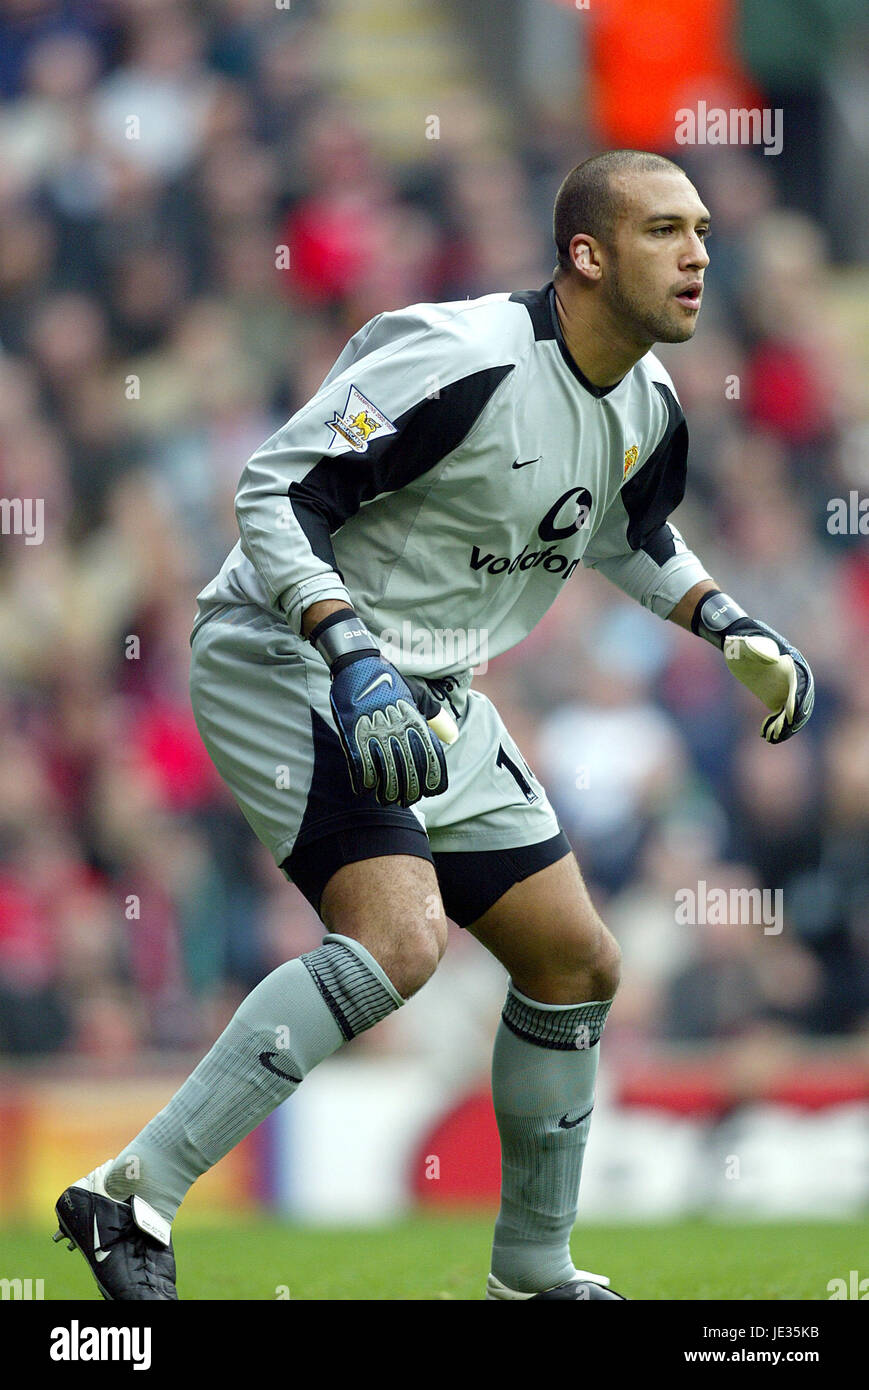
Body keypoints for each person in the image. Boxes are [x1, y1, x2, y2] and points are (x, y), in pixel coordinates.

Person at [53, 150, 813, 1301]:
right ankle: (129, 1192)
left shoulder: (648, 404)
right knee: (399, 941)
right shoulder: (460, 358)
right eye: (664, 230)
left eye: (702, 226)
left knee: (574, 960)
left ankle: (530, 1269)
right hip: (290, 656)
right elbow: (274, 489)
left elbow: (630, 535)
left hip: (438, 692)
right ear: (585, 255)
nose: (699, 252)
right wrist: (350, 655)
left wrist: (723, 622)